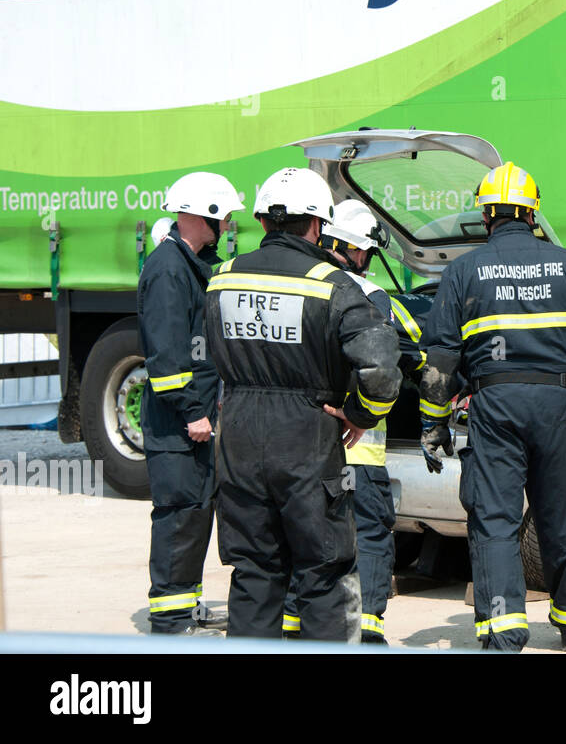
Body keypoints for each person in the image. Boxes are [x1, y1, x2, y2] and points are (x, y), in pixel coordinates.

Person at [417, 162, 566, 652]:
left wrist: (433, 421)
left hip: (495, 405)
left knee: (495, 520)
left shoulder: (463, 272)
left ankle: (503, 631)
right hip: (559, 404)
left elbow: (440, 356)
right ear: (532, 213)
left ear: (487, 215)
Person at [205, 168, 400, 640]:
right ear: (317, 225)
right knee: (323, 571)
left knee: (253, 573)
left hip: (239, 439)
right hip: (307, 440)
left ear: (264, 221)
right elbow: (380, 368)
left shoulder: (221, 278)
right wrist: (359, 414)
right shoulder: (334, 284)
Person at [281, 199, 423, 643]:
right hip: (358, 448)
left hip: (303, 444)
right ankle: (367, 630)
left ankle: (293, 624)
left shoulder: (305, 286)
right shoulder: (372, 296)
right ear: (360, 250)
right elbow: (412, 348)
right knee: (370, 535)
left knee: (303, 534)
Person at [137, 172, 243, 635]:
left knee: (196, 514)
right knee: (179, 516)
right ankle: (172, 621)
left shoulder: (194, 264)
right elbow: (166, 353)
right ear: (207, 215)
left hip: (195, 420)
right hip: (177, 424)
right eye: (225, 217)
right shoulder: (167, 269)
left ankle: (187, 605)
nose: (229, 226)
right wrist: (193, 410)